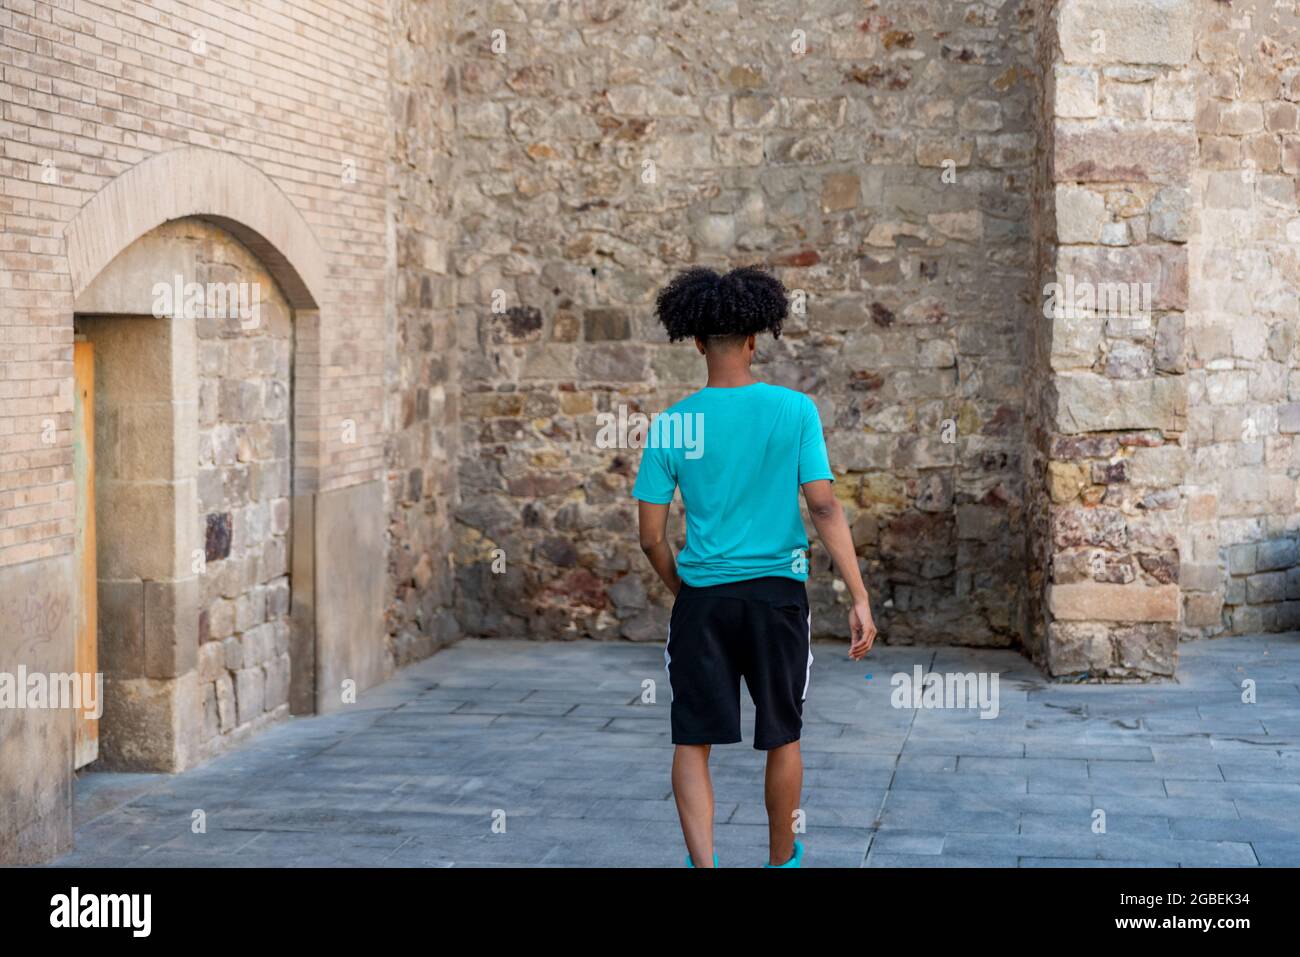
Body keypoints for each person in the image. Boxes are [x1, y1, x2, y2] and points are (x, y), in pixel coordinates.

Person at [632, 265, 878, 869]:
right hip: (777, 599)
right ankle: (781, 864)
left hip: (704, 604)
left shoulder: (671, 425)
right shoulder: (794, 412)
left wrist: (683, 586)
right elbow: (822, 504)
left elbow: (650, 537)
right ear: (753, 340)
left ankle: (706, 867)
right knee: (783, 736)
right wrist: (859, 595)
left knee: (693, 739)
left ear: (695, 343)